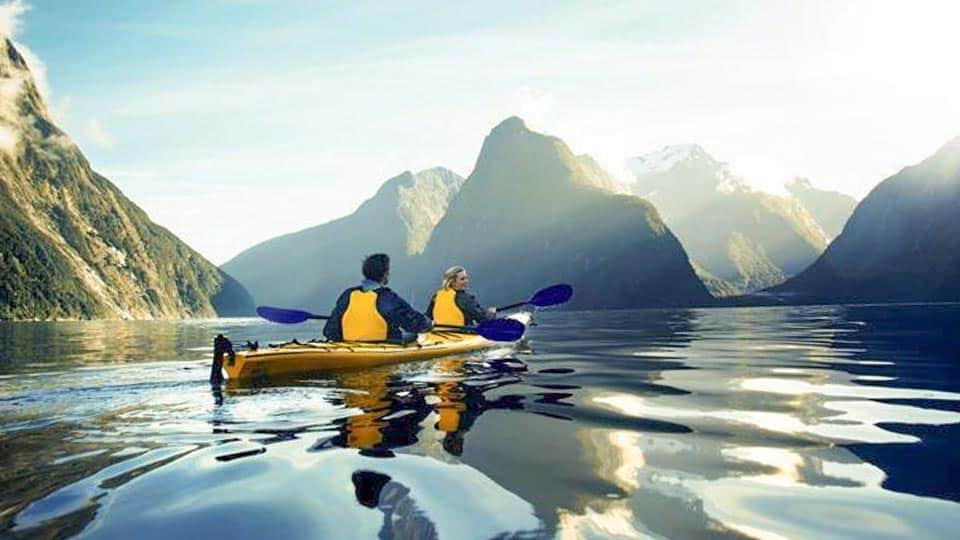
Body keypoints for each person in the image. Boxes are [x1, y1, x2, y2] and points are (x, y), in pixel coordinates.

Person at [324, 253, 433, 342]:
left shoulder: (347, 295)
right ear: (385, 274)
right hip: (385, 345)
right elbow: (417, 324)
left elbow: (329, 331)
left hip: (349, 346)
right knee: (413, 335)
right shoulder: (387, 298)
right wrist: (429, 323)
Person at [426, 266, 496, 326]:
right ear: (452, 282)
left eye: (466, 278)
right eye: (462, 279)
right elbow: (484, 320)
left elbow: (428, 317)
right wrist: (491, 313)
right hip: (462, 337)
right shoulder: (466, 299)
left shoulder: (437, 295)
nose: (466, 281)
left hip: (439, 336)